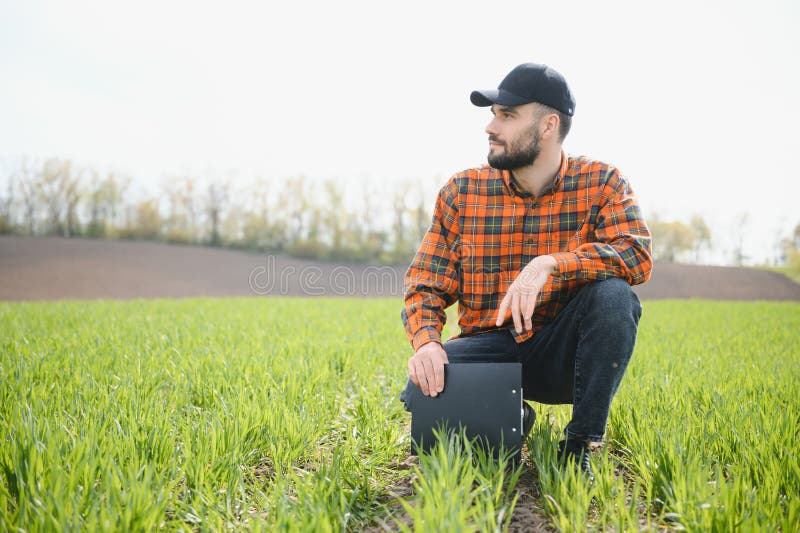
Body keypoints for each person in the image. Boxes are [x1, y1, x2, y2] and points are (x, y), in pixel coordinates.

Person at [399, 63, 653, 476]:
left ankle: (581, 443)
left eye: (507, 115)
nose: (490, 126)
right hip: (491, 347)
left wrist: (551, 264)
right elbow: (426, 284)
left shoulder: (604, 183)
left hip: (564, 352)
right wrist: (427, 343)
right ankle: (512, 412)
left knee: (614, 295)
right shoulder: (462, 191)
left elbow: (636, 254)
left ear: (548, 124)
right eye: (493, 114)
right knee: (422, 388)